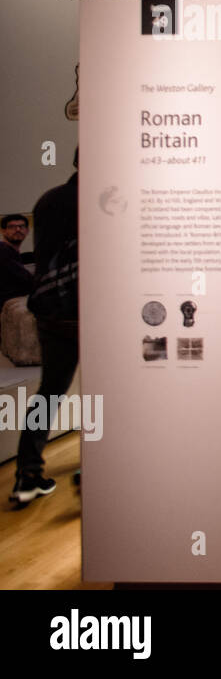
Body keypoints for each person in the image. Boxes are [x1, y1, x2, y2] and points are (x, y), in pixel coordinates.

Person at [11, 154, 79, 506]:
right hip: (88, 312)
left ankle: (27, 473)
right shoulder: (104, 199)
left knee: (48, 393)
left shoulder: (48, 199)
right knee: (113, 393)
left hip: (50, 311)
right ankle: (101, 468)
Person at [0, 213, 34, 305]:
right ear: (3, 231)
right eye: (12, 227)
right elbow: (25, 280)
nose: (18, 229)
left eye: (21, 226)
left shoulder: (12, 252)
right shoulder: (3, 250)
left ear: (27, 231)